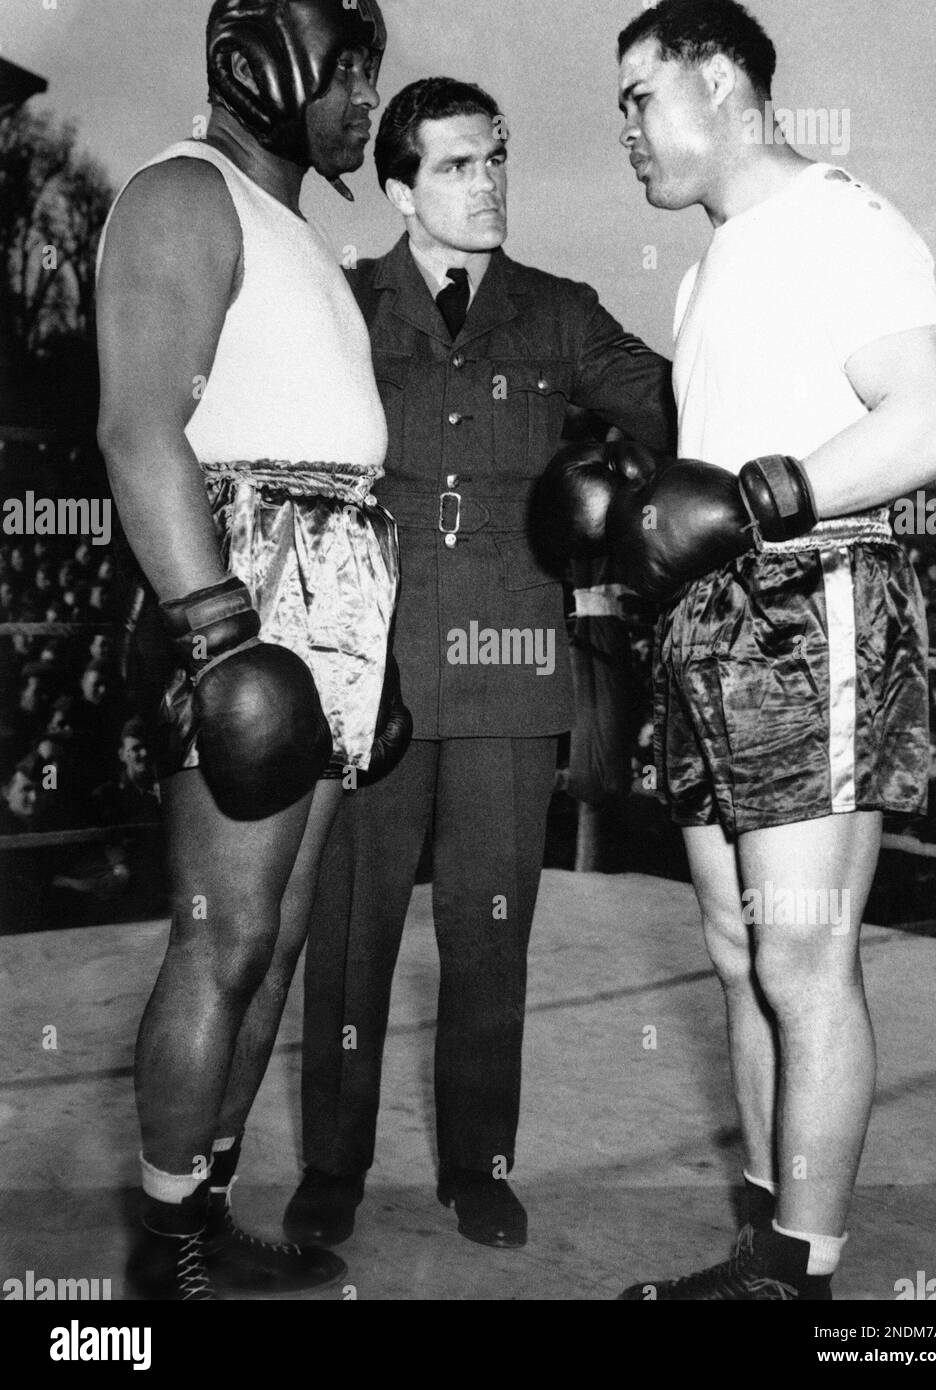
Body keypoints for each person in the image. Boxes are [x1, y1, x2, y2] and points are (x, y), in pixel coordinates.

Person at [596, 0, 936, 1298]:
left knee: (804, 947)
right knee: (737, 943)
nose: (627, 129)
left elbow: (930, 423)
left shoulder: (837, 221)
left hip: (814, 605)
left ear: (718, 81)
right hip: (711, 623)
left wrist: (758, 497)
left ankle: (797, 1275)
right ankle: (761, 1241)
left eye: (640, 95)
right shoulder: (711, 266)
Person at [284, 76, 675, 1253]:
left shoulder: (559, 312)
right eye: (456, 166)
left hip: (512, 673)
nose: (487, 183)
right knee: (350, 938)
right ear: (400, 187)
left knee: (491, 932)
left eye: (496, 159)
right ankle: (332, 1168)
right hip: (376, 677)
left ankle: (479, 1166)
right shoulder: (345, 305)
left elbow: (670, 400)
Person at [96, 0, 407, 1300]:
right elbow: (137, 431)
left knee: (274, 937)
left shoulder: (303, 235)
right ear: (267, 60)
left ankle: (207, 1205)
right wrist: (219, 636)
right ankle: (164, 1255)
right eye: (349, 72)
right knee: (219, 934)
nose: (361, 103)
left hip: (334, 583)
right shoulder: (183, 191)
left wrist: (357, 648)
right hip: (243, 581)